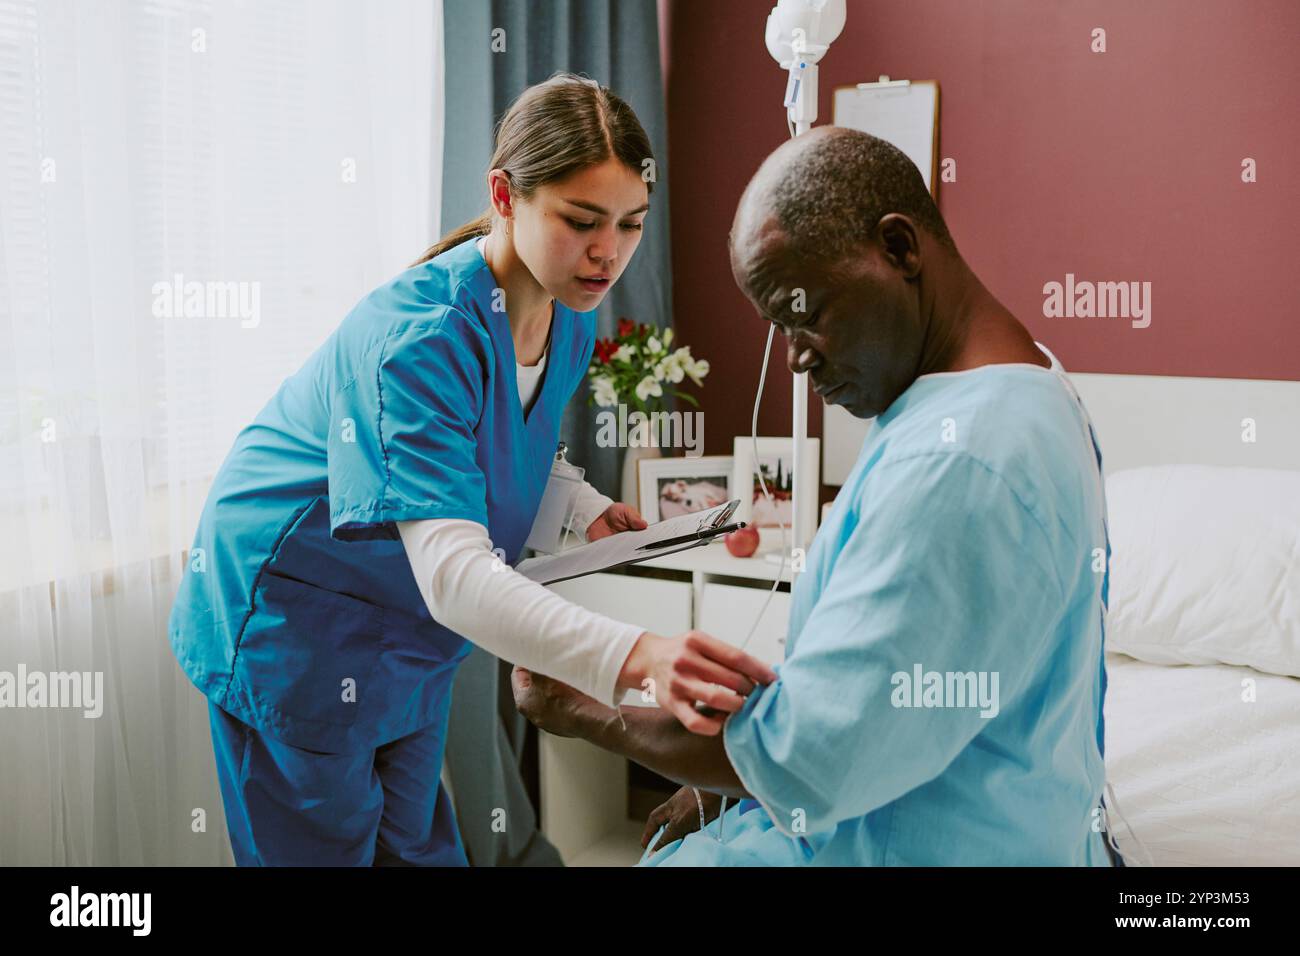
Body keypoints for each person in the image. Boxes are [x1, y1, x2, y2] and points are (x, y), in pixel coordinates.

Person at [168, 73, 775, 867]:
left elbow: (497, 441)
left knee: (422, 850)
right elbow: (454, 575)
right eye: (582, 221)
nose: (610, 253)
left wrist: (578, 506)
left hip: (405, 635)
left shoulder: (564, 318)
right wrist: (637, 659)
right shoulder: (418, 338)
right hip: (295, 626)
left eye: (630, 224)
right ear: (504, 194)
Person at [512, 126, 1121, 866]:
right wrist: (730, 785)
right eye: (779, 326)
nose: (797, 357)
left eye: (805, 314)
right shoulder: (1024, 387)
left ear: (899, 250)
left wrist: (588, 714)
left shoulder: (957, 463)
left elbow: (811, 761)